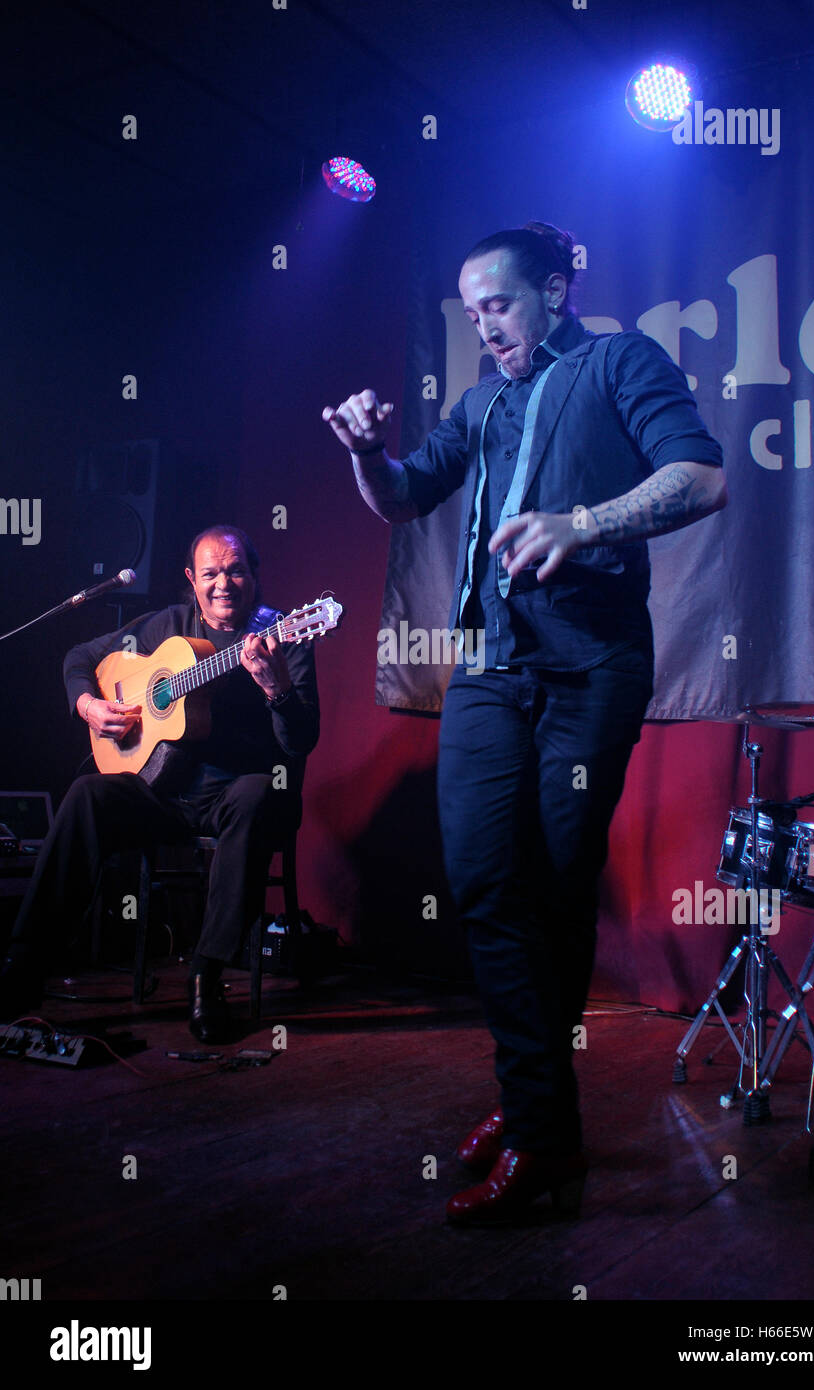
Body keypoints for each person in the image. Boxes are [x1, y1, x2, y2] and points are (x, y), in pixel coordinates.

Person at [323, 221, 726, 1225]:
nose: (484, 327)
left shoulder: (617, 361)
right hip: (492, 672)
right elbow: (401, 498)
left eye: (497, 304)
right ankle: (538, 1117)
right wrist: (368, 454)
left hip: (590, 670)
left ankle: (536, 1122)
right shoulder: (478, 401)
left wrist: (581, 522)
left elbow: (701, 477)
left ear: (552, 290)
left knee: (550, 886)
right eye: (469, 314)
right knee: (485, 882)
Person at [0, 525, 319, 1042]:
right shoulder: (167, 627)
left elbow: (302, 741)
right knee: (87, 795)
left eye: (236, 571)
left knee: (258, 792)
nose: (224, 584)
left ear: (254, 576)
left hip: (237, 795)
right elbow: (78, 658)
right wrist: (88, 704)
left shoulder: (283, 633)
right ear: (192, 580)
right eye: (210, 573)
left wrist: (277, 689)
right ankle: (23, 967)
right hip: (164, 791)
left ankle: (206, 976)